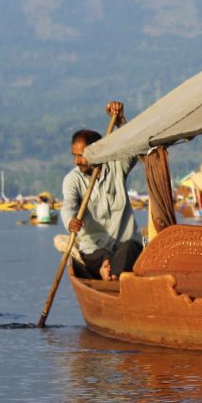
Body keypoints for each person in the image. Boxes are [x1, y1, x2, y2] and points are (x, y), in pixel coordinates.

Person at [61, 101, 142, 281]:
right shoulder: (72, 180)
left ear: (97, 151)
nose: (76, 161)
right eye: (74, 155)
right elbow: (68, 206)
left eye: (81, 155)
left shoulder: (117, 166)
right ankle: (106, 268)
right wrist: (71, 222)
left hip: (123, 243)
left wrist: (120, 121)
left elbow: (134, 146)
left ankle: (111, 275)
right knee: (96, 255)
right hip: (94, 248)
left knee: (131, 248)